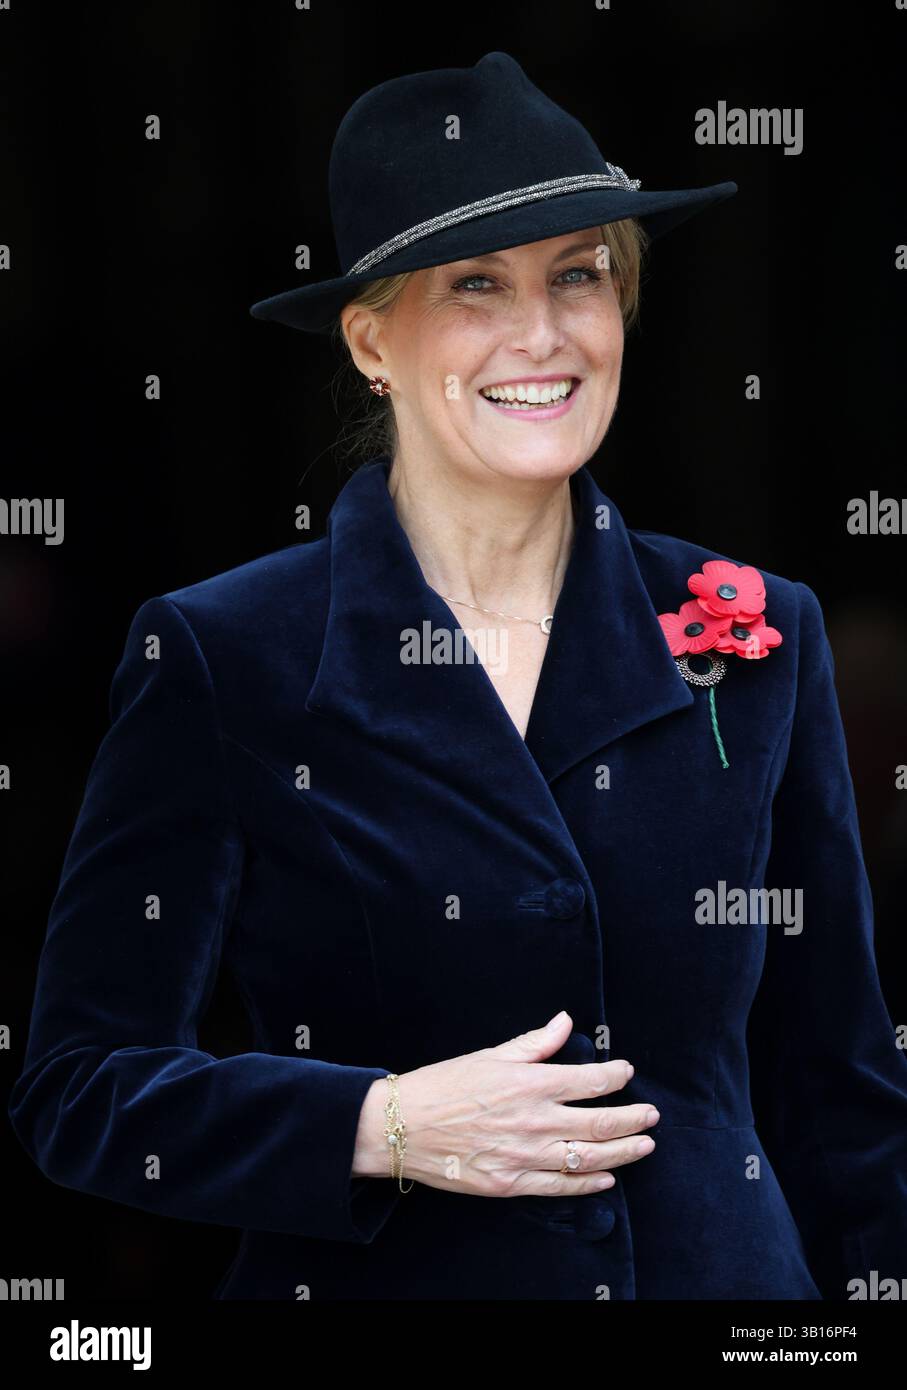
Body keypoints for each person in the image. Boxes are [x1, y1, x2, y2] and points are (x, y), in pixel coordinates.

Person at [9, 51, 907, 1301]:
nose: (541, 334)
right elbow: (79, 1088)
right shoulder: (223, 653)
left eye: (578, 275)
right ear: (372, 340)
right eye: (476, 285)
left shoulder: (763, 631)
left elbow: (845, 1096)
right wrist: (381, 1126)